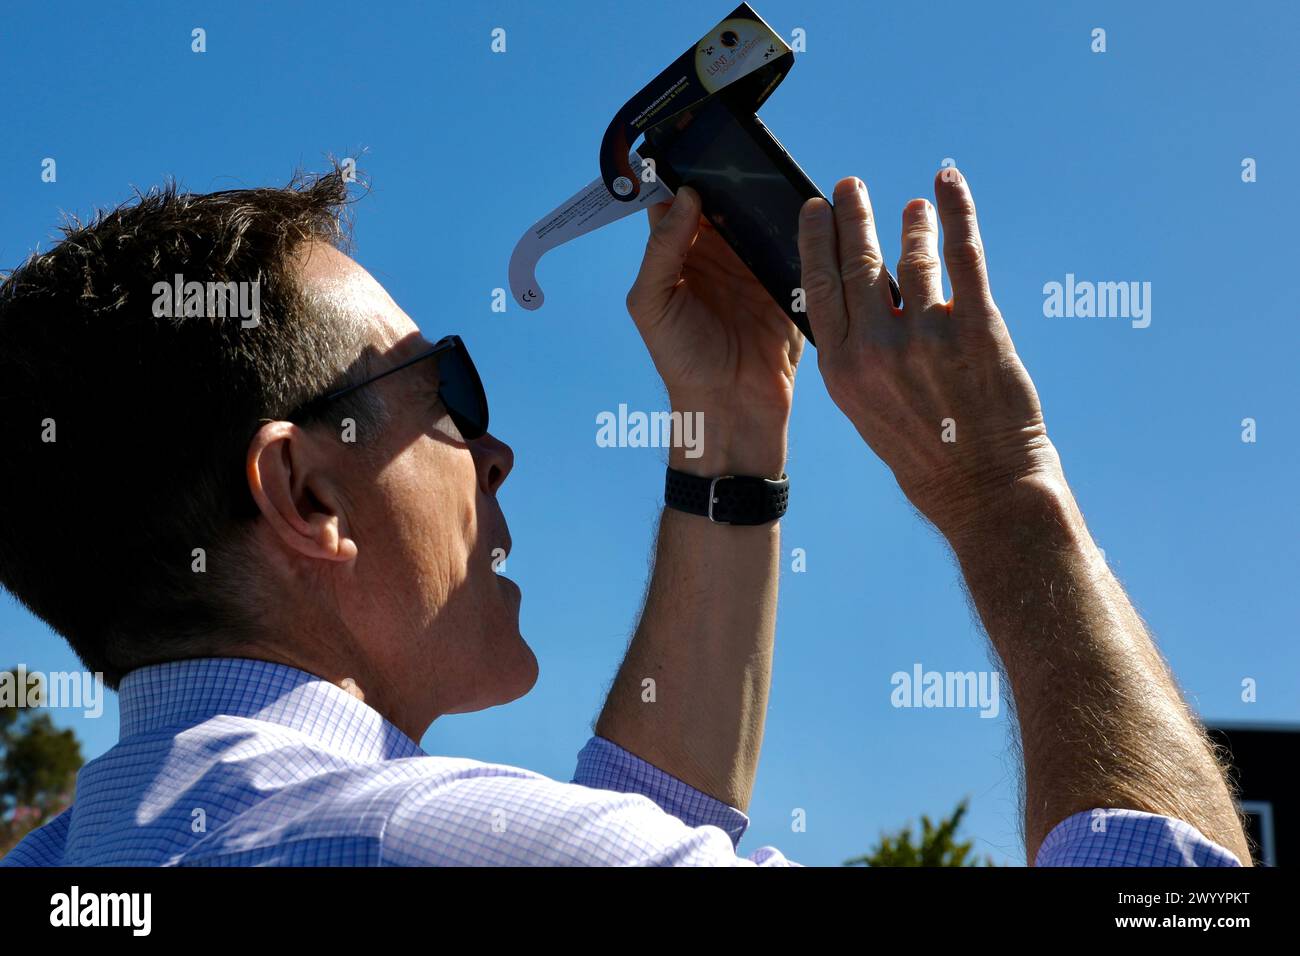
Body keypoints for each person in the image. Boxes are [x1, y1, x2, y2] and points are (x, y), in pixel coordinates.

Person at [0, 166, 1247, 867]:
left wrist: (731, 430)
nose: (493, 449)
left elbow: (637, 834)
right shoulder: (410, 839)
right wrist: (1006, 493)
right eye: (443, 389)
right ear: (308, 492)